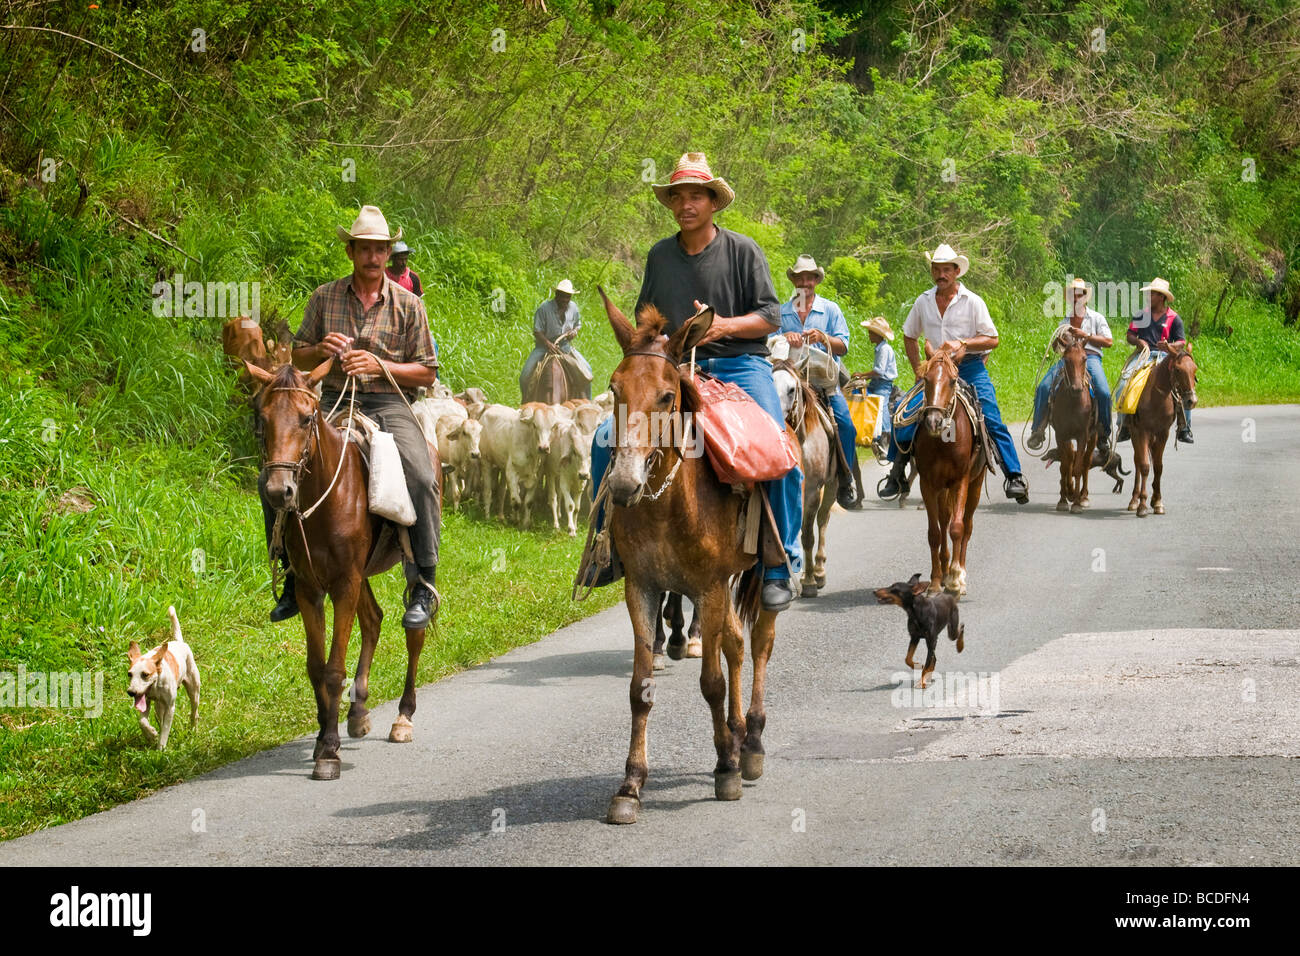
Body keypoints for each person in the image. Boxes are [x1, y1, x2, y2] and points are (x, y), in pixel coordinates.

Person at [584, 151, 803, 611]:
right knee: (607, 437)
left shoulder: (743, 250)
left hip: (742, 365)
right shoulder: (660, 256)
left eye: (696, 196)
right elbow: (647, 326)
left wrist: (723, 326)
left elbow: (770, 316)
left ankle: (783, 562)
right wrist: (656, 348)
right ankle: (605, 548)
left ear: (713, 203)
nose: (687, 205)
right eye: (678, 197)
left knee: (778, 449)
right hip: (678, 371)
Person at [267, 205, 442, 628]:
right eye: (365, 249)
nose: (373, 257)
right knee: (275, 469)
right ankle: (291, 572)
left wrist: (381, 364)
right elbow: (298, 354)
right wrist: (321, 350)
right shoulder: (324, 296)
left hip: (388, 401)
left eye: (380, 249)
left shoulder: (408, 305)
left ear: (389, 252)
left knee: (421, 473)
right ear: (351, 251)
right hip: (330, 403)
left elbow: (428, 371)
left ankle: (424, 582)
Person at [878, 244, 1029, 503]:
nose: (941, 274)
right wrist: (918, 370)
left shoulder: (973, 301)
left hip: (969, 367)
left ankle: (1013, 475)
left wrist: (965, 344)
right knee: (904, 414)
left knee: (990, 417)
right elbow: (909, 335)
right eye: (936, 269)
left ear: (956, 271)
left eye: (946, 269)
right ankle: (897, 472)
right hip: (935, 369)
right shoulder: (923, 301)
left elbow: (992, 339)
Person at [779, 254, 859, 510]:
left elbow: (843, 345)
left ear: (816, 280)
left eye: (809, 278)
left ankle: (845, 479)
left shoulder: (830, 309)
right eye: (800, 278)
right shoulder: (782, 311)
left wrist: (823, 337)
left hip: (823, 383)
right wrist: (785, 337)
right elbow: (768, 343)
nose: (805, 282)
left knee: (846, 426)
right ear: (795, 281)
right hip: (790, 381)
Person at [1027, 277, 1114, 457]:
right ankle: (1038, 429)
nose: (1076, 298)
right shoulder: (1064, 322)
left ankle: (1103, 432)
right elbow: (1058, 348)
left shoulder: (1096, 318)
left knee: (1104, 392)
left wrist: (1086, 335)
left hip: (1090, 358)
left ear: (1084, 297)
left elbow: (1108, 341)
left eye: (1079, 294)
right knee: (1043, 387)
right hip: (1067, 359)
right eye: (1072, 295)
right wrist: (1057, 343)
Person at [1115, 277, 1193, 444]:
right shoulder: (1141, 314)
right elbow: (1130, 335)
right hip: (1143, 355)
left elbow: (1181, 342)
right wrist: (1138, 341)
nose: (1149, 297)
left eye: (1152, 294)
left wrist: (1168, 346)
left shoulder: (1174, 318)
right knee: (1124, 381)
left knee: (1183, 385)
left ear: (1161, 297)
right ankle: (1123, 425)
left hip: (1165, 357)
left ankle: (1184, 427)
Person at [519, 279, 593, 401]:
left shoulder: (573, 308)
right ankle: (525, 402)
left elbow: (577, 324)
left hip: (565, 347)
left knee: (587, 370)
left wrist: (574, 332)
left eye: (568, 297)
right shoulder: (544, 309)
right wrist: (548, 344)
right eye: (562, 296)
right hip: (543, 347)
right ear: (557, 294)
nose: (565, 300)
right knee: (524, 376)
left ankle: (587, 403)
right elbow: (537, 331)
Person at [860, 315, 897, 453]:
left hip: (883, 383)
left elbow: (879, 371)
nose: (869, 335)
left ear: (877, 335)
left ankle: (885, 436)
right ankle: (870, 433)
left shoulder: (884, 349)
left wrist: (862, 375)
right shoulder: (880, 348)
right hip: (876, 382)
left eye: (871, 332)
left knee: (881, 406)